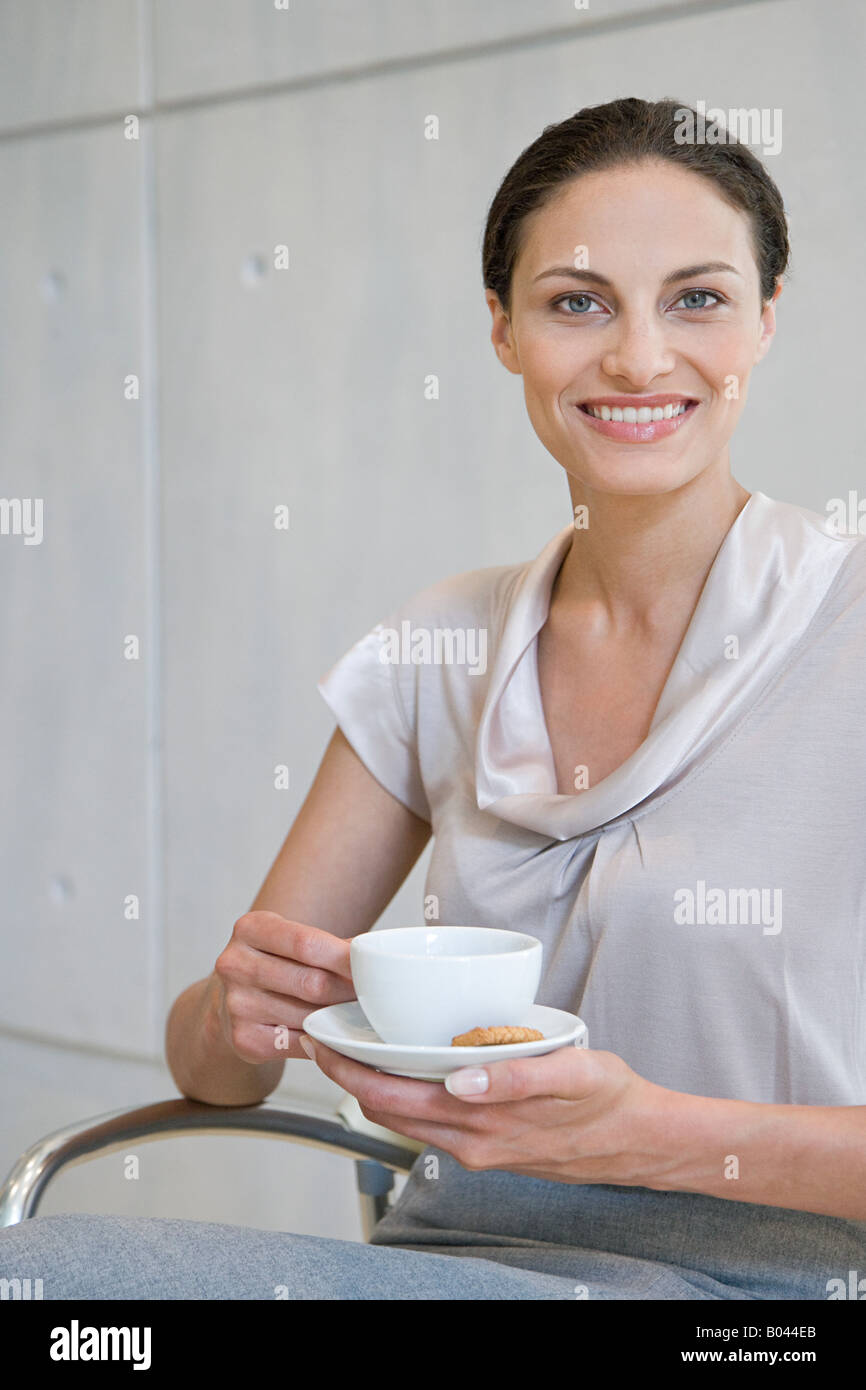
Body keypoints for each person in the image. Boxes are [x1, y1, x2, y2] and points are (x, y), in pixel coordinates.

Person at [3, 96, 865, 1300]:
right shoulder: (439, 648)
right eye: (575, 301)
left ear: (764, 320)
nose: (634, 356)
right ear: (504, 331)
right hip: (460, 1269)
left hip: (770, 1298)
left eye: (696, 298)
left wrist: (644, 1133)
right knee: (42, 1284)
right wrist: (236, 1012)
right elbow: (222, 1067)